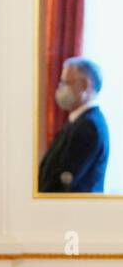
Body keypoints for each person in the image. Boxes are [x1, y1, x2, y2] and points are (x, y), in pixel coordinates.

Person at [39, 56, 109, 193]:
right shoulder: (78, 121)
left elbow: (63, 180)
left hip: (74, 212)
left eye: (66, 82)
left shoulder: (89, 126)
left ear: (84, 85)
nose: (60, 88)